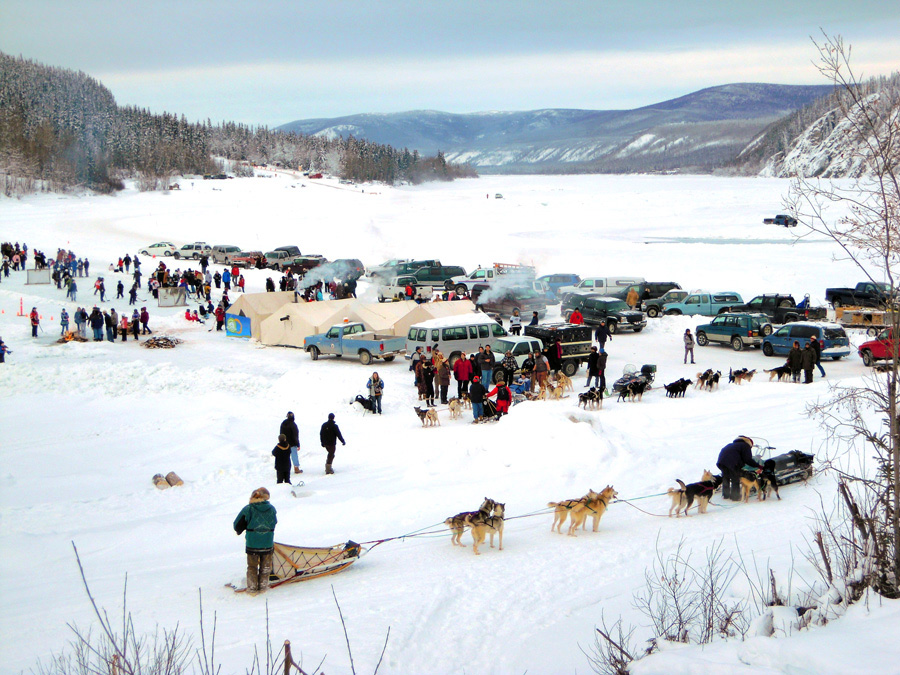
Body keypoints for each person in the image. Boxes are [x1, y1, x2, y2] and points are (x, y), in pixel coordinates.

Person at [233, 487, 277, 594]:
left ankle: (252, 589)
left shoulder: (248, 509)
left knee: (252, 567)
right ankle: (263, 588)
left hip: (252, 543)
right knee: (265, 567)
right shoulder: (271, 509)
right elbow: (274, 522)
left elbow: (237, 525)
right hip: (267, 542)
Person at [717, 436, 761, 501]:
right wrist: (758, 466)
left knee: (726, 478)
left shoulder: (730, 445)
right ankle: (735, 497)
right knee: (735, 479)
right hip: (733, 463)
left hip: (721, 463)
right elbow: (748, 459)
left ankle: (726, 496)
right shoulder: (746, 446)